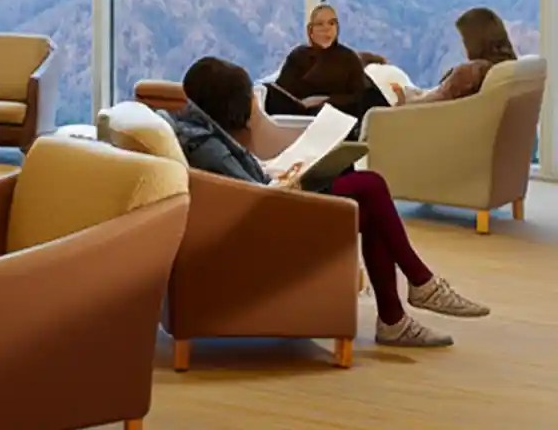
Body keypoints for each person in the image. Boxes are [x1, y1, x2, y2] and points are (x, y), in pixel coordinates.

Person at [163, 56, 490, 348]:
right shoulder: (207, 145)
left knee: (367, 193)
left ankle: (400, 312)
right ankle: (414, 295)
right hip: (269, 227)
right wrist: (291, 181)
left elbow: (241, 186)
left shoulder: (195, 130)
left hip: (267, 209)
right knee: (370, 189)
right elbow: (254, 199)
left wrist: (282, 172)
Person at [271, 3, 389, 121]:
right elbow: (282, 92)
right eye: (320, 24)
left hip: (337, 118)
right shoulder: (298, 56)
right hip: (297, 118)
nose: (326, 29)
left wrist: (325, 100)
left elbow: (360, 97)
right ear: (310, 30)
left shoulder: (348, 58)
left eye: (331, 23)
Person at [393, 7, 518, 105]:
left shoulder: (470, 73)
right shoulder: (508, 68)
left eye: (464, 39)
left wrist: (404, 98)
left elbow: (430, 103)